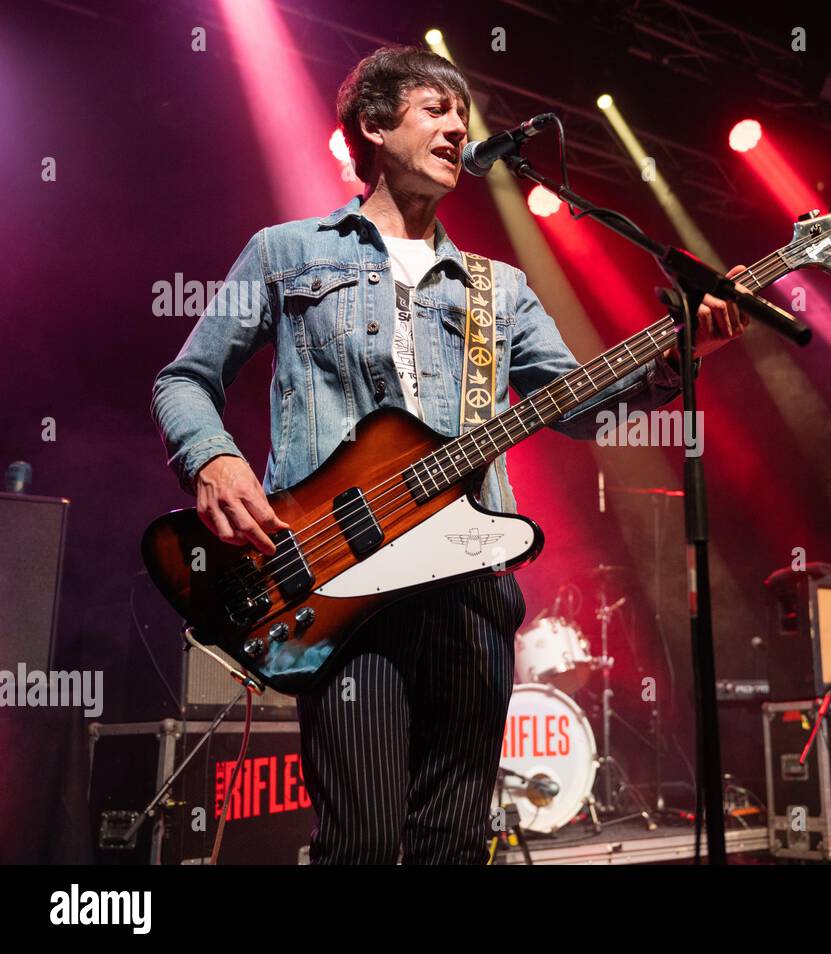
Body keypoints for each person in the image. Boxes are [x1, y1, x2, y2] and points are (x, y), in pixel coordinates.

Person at [151, 45, 749, 863]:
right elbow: (184, 379)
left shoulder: (496, 288)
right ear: (373, 124)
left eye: (462, 114)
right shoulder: (286, 252)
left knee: (455, 846)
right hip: (340, 587)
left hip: (468, 587)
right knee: (360, 843)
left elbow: (581, 405)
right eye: (436, 108)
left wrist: (684, 354)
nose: (458, 126)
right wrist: (213, 460)